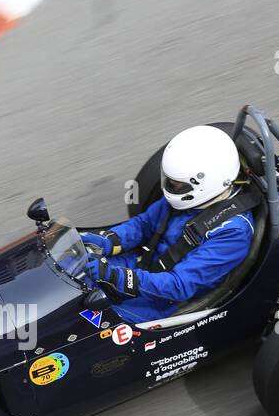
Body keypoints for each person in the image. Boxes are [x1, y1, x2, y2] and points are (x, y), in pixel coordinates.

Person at [82, 125, 259, 323]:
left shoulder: (233, 233)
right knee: (74, 269)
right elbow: (144, 225)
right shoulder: (188, 197)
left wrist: (116, 277)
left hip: (165, 302)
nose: (171, 186)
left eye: (177, 184)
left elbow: (179, 286)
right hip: (142, 268)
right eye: (170, 180)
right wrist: (107, 240)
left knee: (84, 324)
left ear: (206, 183)